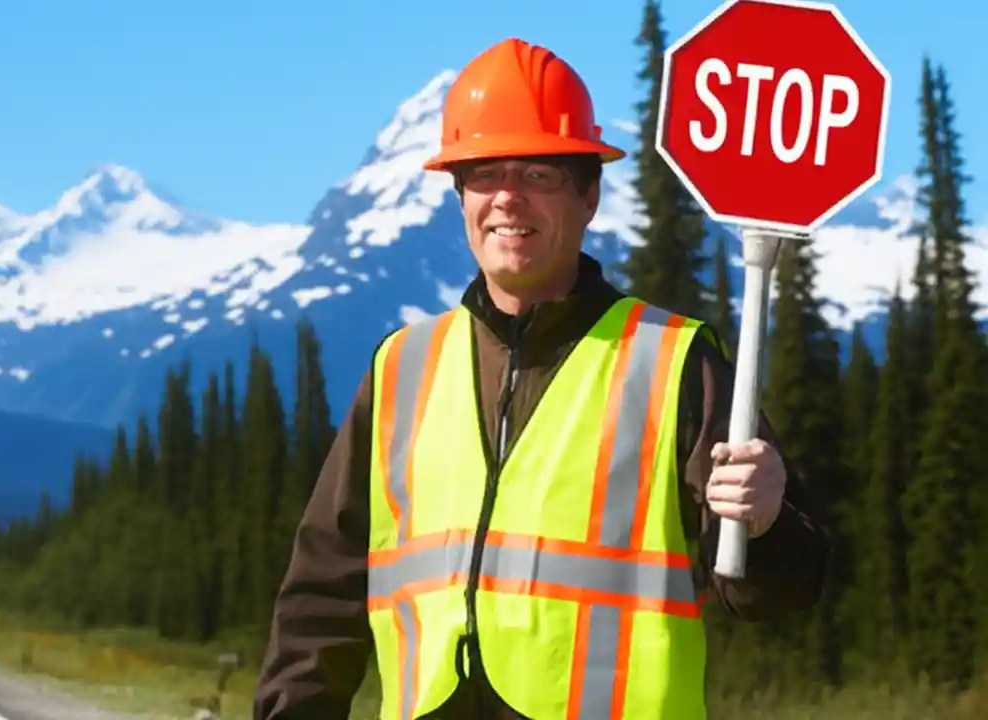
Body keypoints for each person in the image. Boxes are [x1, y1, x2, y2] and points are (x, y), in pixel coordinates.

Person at [253, 37, 829, 720]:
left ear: (589, 195)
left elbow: (775, 589)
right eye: (485, 171)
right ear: (459, 195)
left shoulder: (673, 360)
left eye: (539, 174)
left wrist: (764, 524)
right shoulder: (400, 369)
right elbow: (323, 595)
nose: (507, 198)